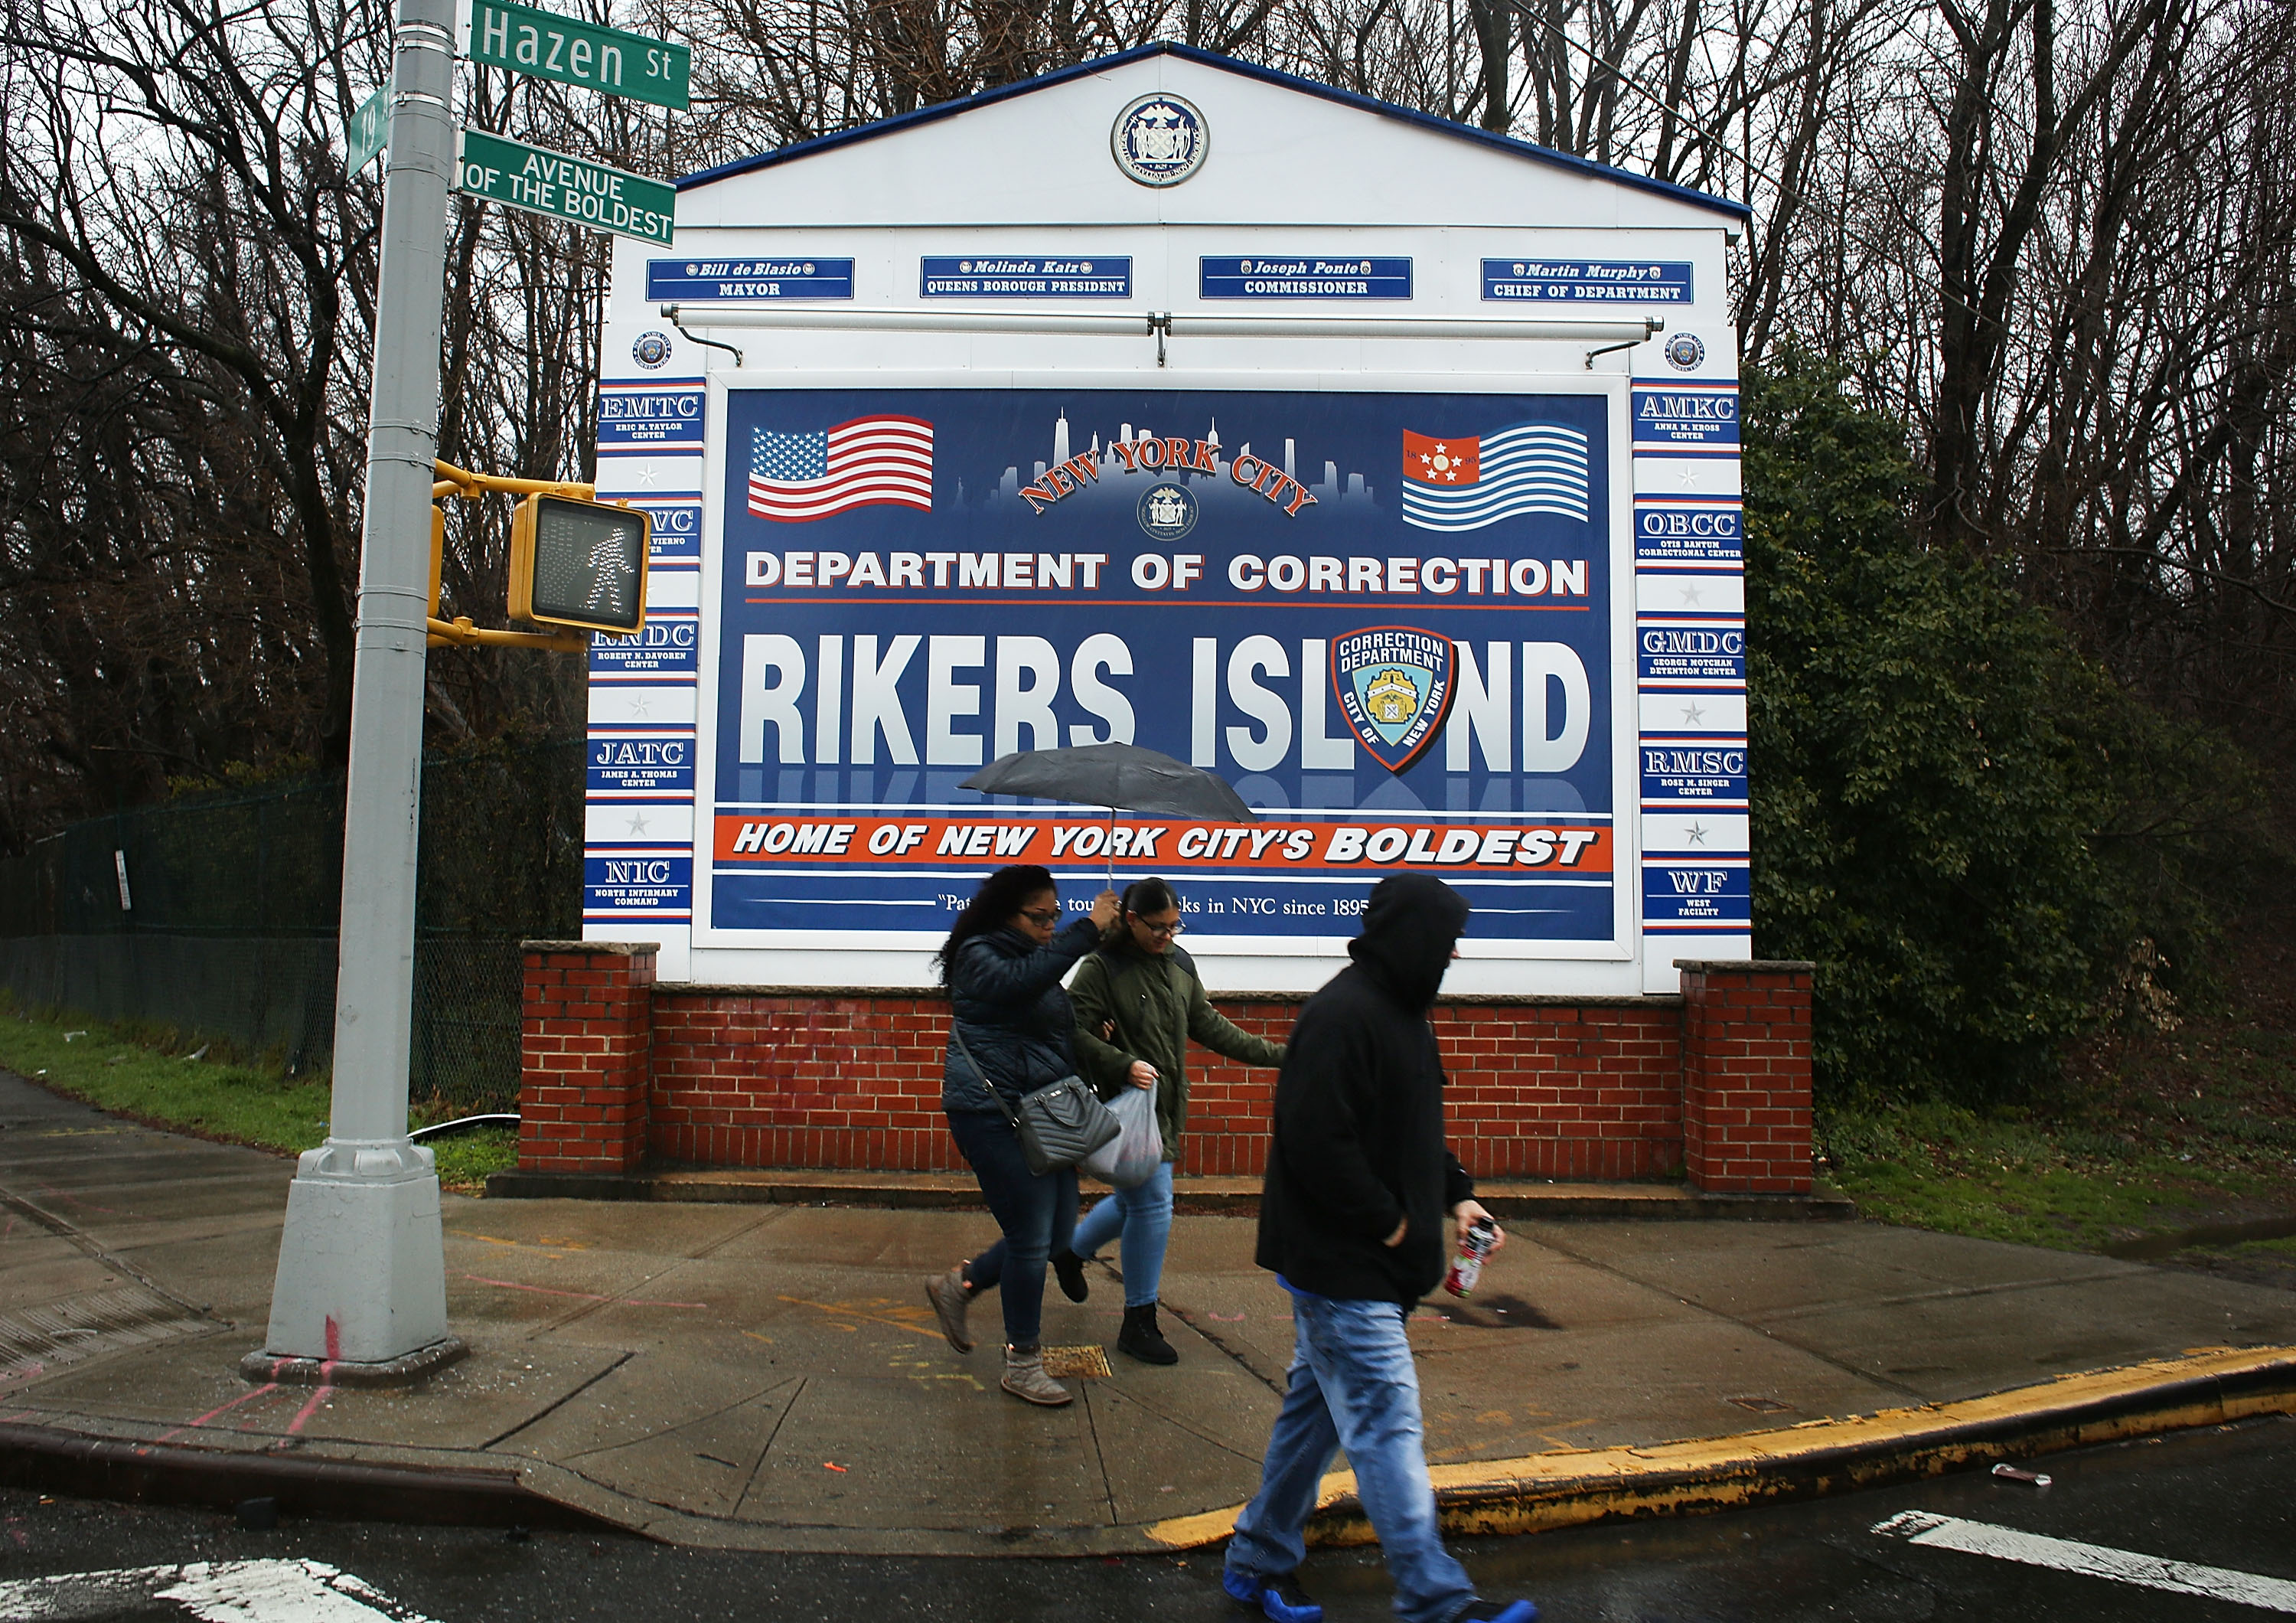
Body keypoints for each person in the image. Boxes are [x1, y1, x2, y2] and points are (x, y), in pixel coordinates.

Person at [1223, 874, 1537, 1623]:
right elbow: (1315, 1142)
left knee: (1315, 1419)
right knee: (1387, 1421)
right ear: (1415, 938)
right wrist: (1391, 1223)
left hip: (1368, 1266)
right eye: (1447, 937)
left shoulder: (1405, 1012)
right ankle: (1436, 1597)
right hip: (1342, 1266)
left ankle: (1256, 1559)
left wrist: (1457, 1195)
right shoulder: (1341, 1014)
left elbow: (1414, 1129)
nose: (1456, 951)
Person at [1056, 877, 1287, 1365]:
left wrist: (1281, 1055)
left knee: (1133, 1201)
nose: (1167, 936)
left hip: (1165, 1109)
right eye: (1157, 927)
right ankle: (1139, 1321)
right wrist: (1121, 1063)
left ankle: (1071, 1252)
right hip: (1124, 1107)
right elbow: (1069, 1031)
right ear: (1131, 920)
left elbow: (1209, 1024)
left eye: (1174, 926)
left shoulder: (1180, 964)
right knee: (1155, 1203)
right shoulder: (1102, 967)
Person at [922, 864, 1120, 1407]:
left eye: (1056, 916)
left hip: (1037, 1113)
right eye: (1042, 917)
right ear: (1008, 913)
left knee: (1057, 1236)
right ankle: (1023, 1362)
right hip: (990, 1113)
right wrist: (1088, 928)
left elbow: (1041, 1023)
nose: (1051, 926)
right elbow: (1017, 986)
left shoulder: (1031, 960)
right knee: (1032, 1237)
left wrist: (1091, 1039)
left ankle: (958, 1286)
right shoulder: (980, 955)